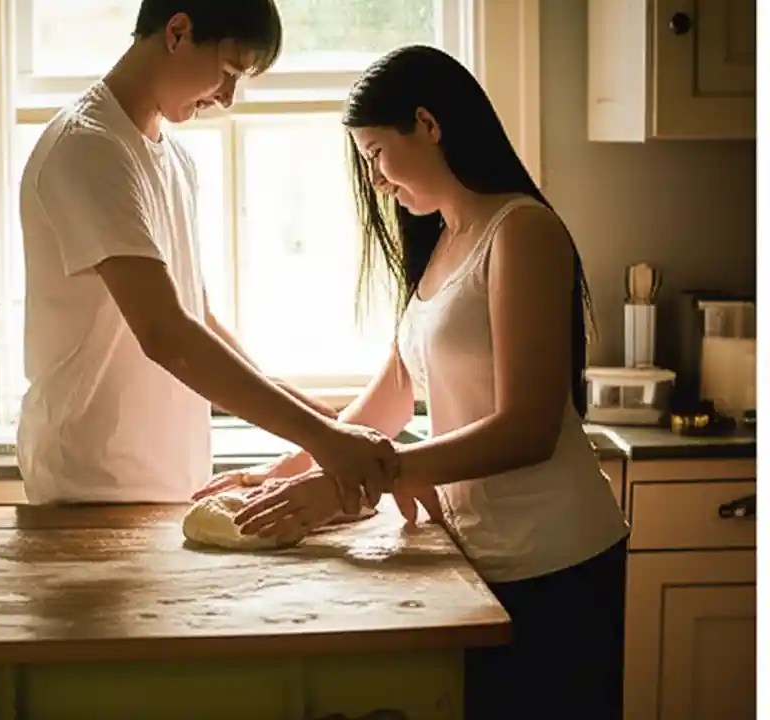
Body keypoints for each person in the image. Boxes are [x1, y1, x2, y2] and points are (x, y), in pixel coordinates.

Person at [203, 45, 630, 719]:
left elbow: (530, 429)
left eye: (375, 154)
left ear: (428, 125)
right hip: (481, 561)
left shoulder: (522, 231)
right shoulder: (441, 241)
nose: (375, 181)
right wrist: (284, 471)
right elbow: (388, 401)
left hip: (556, 561)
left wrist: (363, 478)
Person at [16, 0, 397, 509]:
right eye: (226, 72)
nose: (228, 98)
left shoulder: (171, 159)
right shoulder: (89, 148)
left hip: (162, 487)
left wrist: (326, 421)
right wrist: (323, 440)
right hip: (91, 489)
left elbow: (198, 320)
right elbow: (165, 333)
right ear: (177, 32)